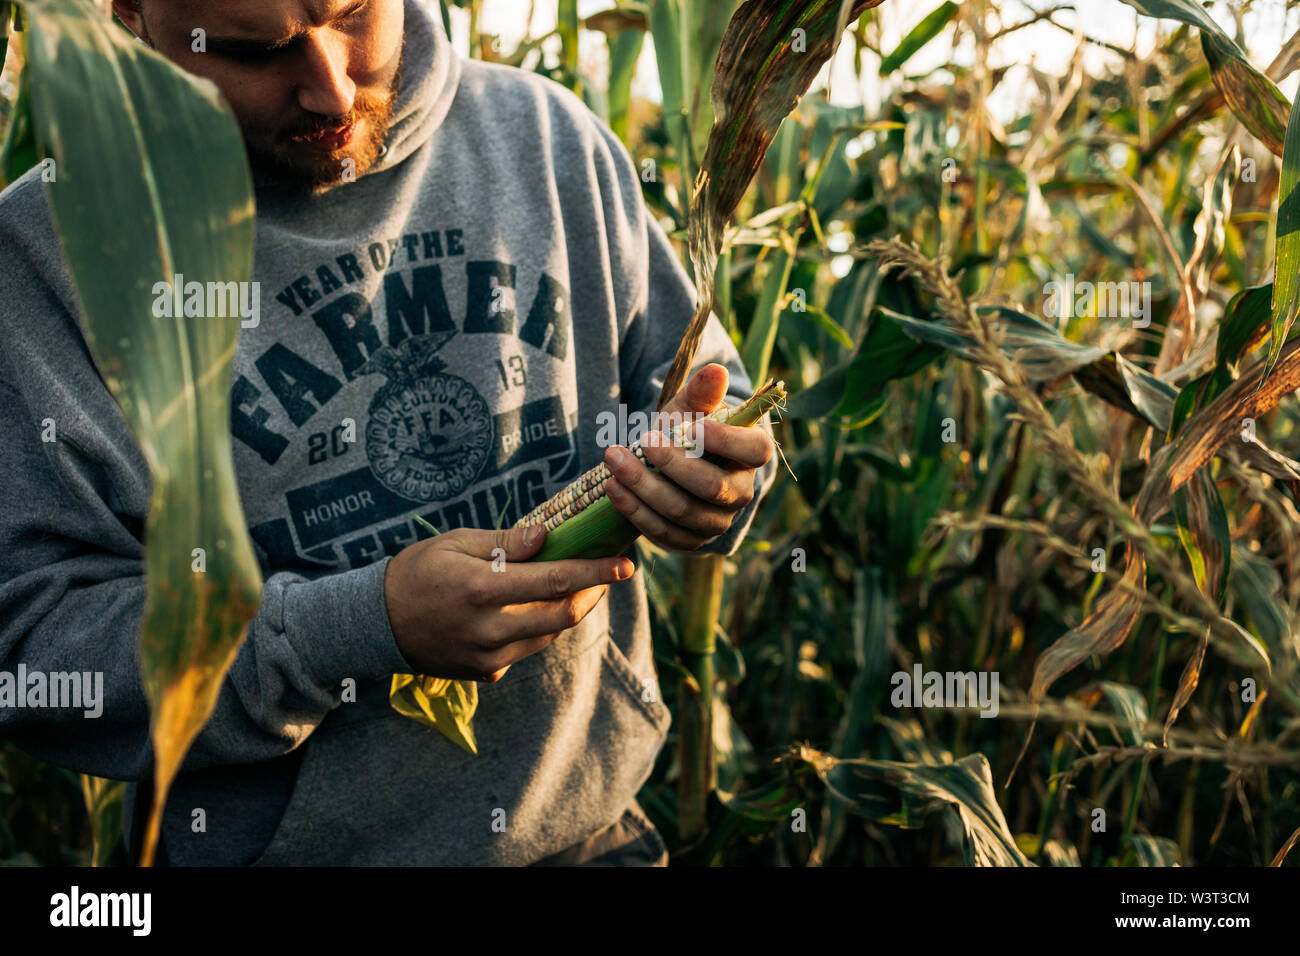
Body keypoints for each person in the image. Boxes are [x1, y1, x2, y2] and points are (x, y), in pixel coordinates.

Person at [0, 0, 775, 865]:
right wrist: (354, 629)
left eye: (357, 15)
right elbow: (32, 645)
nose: (331, 90)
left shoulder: (550, 139)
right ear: (134, 14)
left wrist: (716, 481)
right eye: (259, 53)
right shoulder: (53, 258)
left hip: (587, 836)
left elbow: (707, 400)